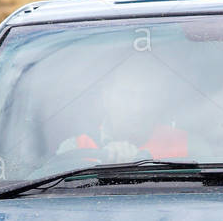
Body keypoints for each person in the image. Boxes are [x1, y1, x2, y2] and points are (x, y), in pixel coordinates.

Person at [57, 59, 188, 162]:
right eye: (126, 96)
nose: (138, 108)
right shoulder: (75, 149)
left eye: (147, 96)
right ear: (106, 98)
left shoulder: (188, 146)